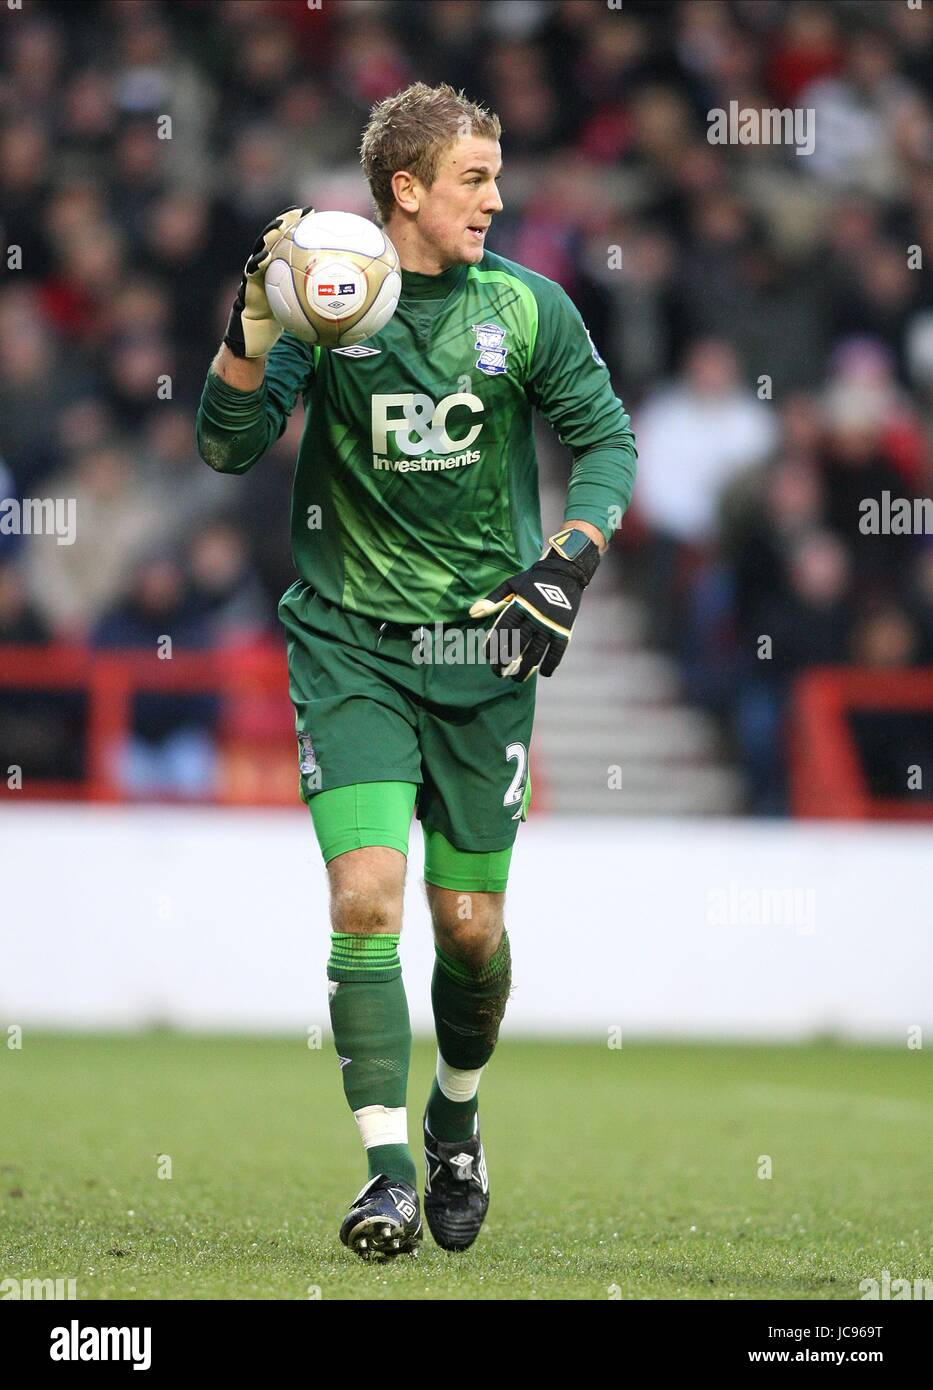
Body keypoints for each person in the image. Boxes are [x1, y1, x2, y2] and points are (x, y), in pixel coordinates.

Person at [196, 82, 636, 1261]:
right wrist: (252, 324)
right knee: (365, 902)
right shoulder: (328, 302)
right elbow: (227, 446)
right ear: (407, 190)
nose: (495, 199)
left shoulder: (525, 308)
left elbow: (605, 441)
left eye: (495, 177)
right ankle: (388, 1172)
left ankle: (456, 1117)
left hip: (486, 648)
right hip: (351, 647)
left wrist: (565, 565)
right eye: (474, 180)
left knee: (471, 927)